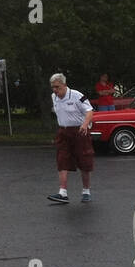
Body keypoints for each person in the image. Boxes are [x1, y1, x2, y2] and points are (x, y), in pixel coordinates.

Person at [47, 73, 94, 203]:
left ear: (64, 85)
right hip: (63, 132)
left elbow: (89, 111)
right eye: (53, 87)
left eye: (57, 87)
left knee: (84, 161)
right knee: (62, 159)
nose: (55, 90)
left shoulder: (76, 95)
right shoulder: (54, 97)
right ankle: (62, 193)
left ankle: (86, 191)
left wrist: (85, 125)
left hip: (79, 131)